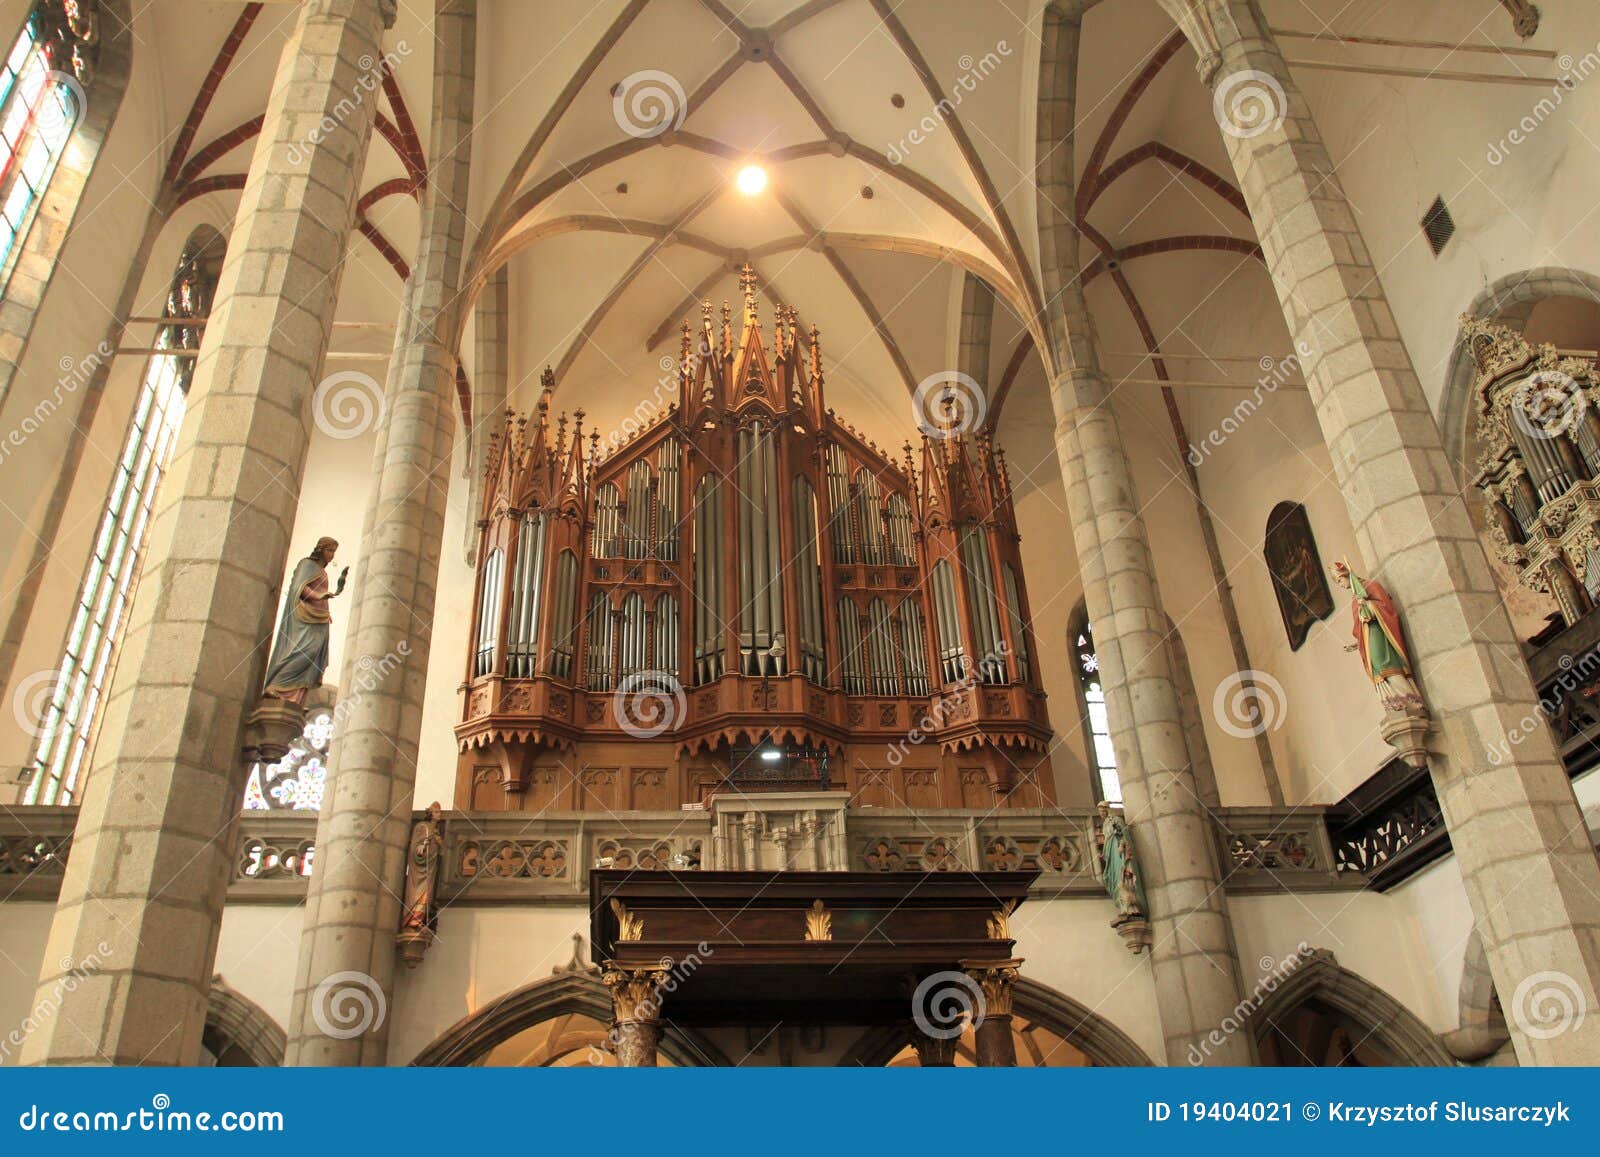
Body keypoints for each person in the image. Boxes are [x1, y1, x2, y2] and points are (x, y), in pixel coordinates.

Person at [1331, 559, 1425, 714]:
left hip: (1380, 636)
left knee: (1385, 665)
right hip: (1368, 640)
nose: (1341, 585)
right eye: (1338, 583)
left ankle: (1411, 702)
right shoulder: (1355, 599)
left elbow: (1387, 608)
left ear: (1347, 574)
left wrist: (1368, 605)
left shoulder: (1371, 586)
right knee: (1377, 670)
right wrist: (1356, 644)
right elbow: (1360, 626)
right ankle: (1395, 705)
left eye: (1340, 580)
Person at [261, 537, 347, 705]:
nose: (331, 555)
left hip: (320, 618)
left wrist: (324, 606)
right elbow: (298, 588)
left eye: (334, 552)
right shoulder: (307, 565)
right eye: (329, 550)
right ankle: (277, 686)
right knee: (303, 650)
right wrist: (319, 595)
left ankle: (294, 699)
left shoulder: (323, 572)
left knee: (314, 655)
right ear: (320, 549)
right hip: (305, 617)